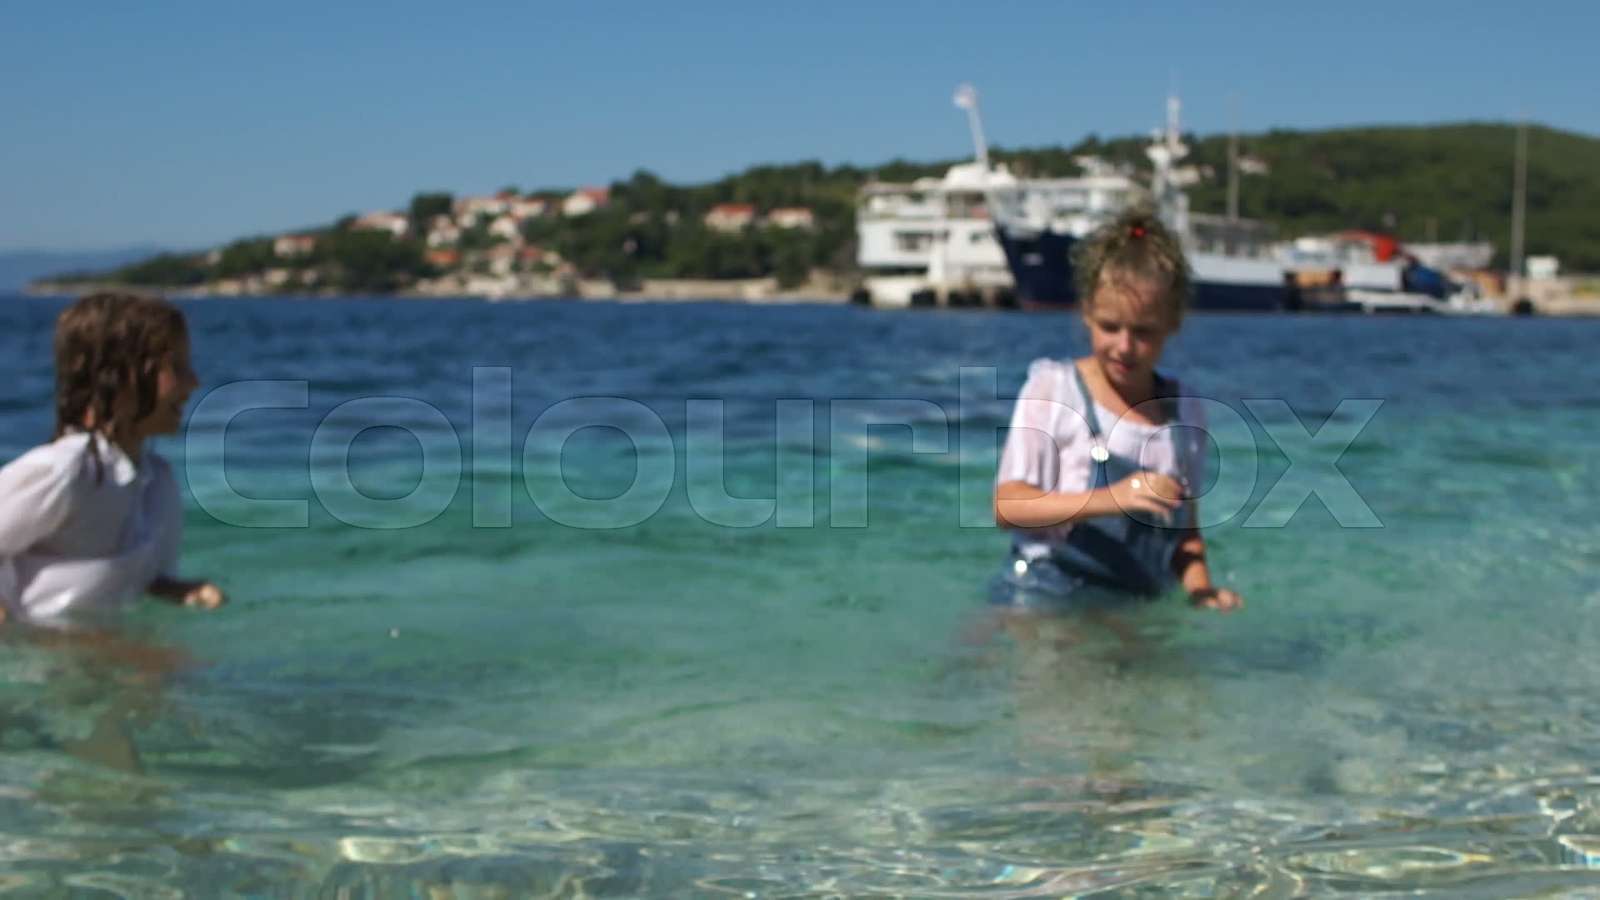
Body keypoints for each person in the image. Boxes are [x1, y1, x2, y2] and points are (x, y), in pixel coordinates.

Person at [992, 208, 1243, 614]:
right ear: (1087, 312)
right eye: (1110, 327)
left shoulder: (1186, 413)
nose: (1124, 347)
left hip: (1130, 606)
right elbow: (1009, 507)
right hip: (1043, 594)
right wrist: (1115, 498)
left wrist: (1201, 590)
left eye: (1143, 332)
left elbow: (1186, 535)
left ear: (1172, 324)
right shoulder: (1053, 390)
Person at [0, 292, 226, 627]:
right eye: (176, 367)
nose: (194, 382)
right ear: (117, 378)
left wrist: (175, 589)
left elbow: (131, 579)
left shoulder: (156, 481)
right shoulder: (67, 471)